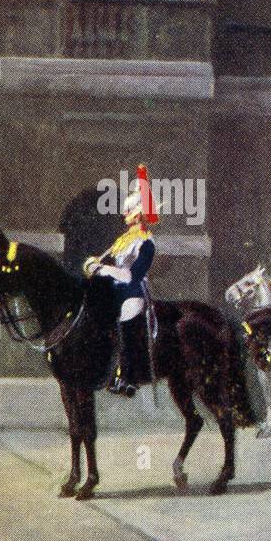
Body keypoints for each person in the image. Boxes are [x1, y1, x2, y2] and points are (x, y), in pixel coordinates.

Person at [85, 164, 157, 397]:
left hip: (134, 290)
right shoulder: (123, 240)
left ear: (138, 214)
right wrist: (93, 264)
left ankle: (128, 376)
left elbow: (132, 275)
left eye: (128, 212)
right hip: (116, 287)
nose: (124, 215)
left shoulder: (146, 243)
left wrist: (103, 268)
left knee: (126, 322)